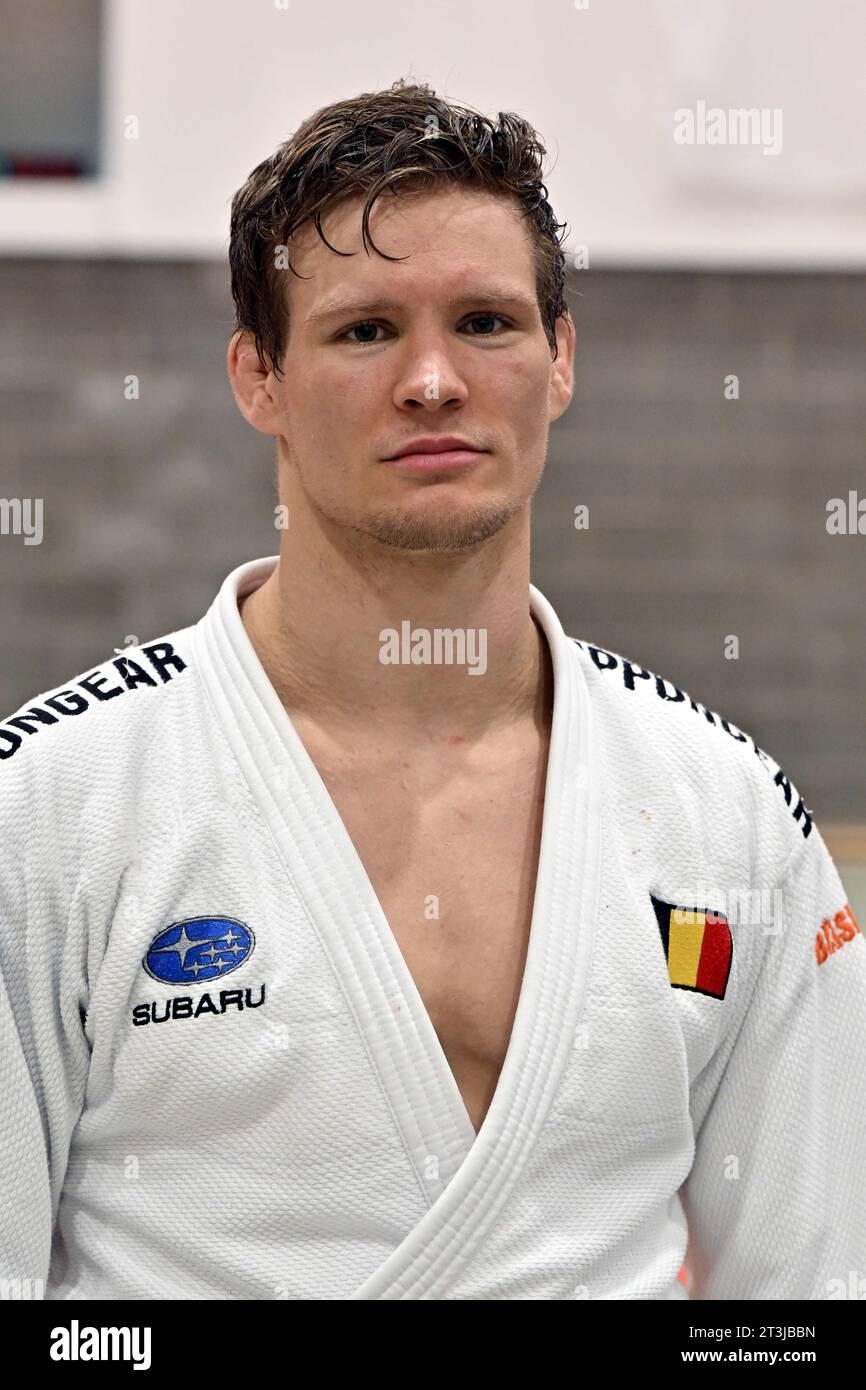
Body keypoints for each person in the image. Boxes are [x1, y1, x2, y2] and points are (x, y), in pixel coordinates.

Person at [1, 79, 864, 1302]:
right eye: (362, 332)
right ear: (258, 378)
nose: (431, 381)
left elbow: (806, 1291)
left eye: (485, 323)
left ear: (559, 360)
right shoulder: (50, 806)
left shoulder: (725, 815)